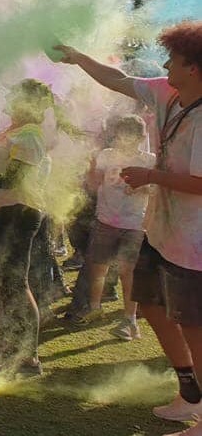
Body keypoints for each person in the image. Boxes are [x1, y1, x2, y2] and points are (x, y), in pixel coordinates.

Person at [56, 31, 202, 436]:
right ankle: (191, 391)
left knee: (194, 326)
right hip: (159, 232)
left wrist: (150, 176)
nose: (166, 66)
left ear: (194, 66)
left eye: (173, 59)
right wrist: (78, 56)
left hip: (195, 244)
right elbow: (117, 80)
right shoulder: (165, 92)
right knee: (153, 307)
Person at [0, 79, 55, 375]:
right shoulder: (13, 131)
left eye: (14, 95)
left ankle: (28, 358)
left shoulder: (29, 136)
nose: (9, 99)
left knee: (15, 282)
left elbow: (13, 180)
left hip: (19, 212)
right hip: (5, 211)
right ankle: (1, 348)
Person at [81, 115, 154, 338]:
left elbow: (157, 190)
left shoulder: (149, 160)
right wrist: (90, 172)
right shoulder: (106, 155)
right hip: (105, 220)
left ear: (142, 137)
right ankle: (94, 308)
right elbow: (94, 183)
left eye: (132, 136)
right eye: (123, 135)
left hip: (134, 224)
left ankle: (129, 320)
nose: (126, 140)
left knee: (127, 272)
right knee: (98, 266)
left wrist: (142, 188)